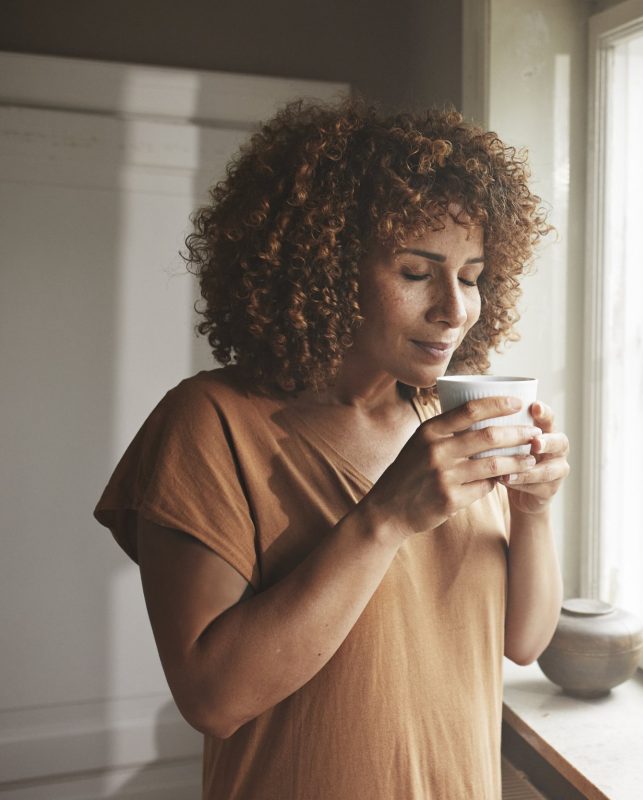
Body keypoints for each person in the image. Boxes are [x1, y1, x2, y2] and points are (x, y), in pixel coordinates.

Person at [93, 98, 568, 799]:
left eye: (471, 277)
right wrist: (386, 518)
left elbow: (523, 641)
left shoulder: (450, 418)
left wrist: (534, 510)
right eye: (417, 272)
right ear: (324, 269)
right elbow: (212, 699)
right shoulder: (211, 423)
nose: (454, 309)